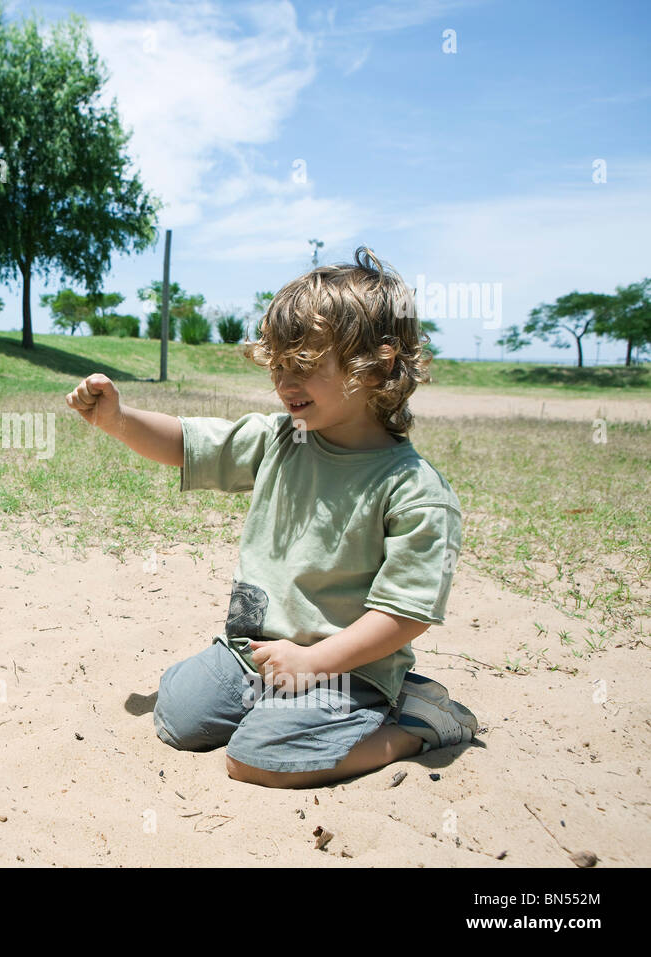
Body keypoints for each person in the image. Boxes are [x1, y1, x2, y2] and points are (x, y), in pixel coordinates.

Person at [66, 246, 476, 788]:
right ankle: (280, 711)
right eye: (279, 365)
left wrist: (315, 663)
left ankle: (417, 724)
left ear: (376, 366)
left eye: (304, 366)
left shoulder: (414, 491)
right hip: (253, 655)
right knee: (177, 715)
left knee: (259, 759)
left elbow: (406, 615)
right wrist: (118, 419)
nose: (285, 383)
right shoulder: (282, 438)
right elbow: (187, 444)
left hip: (347, 672)